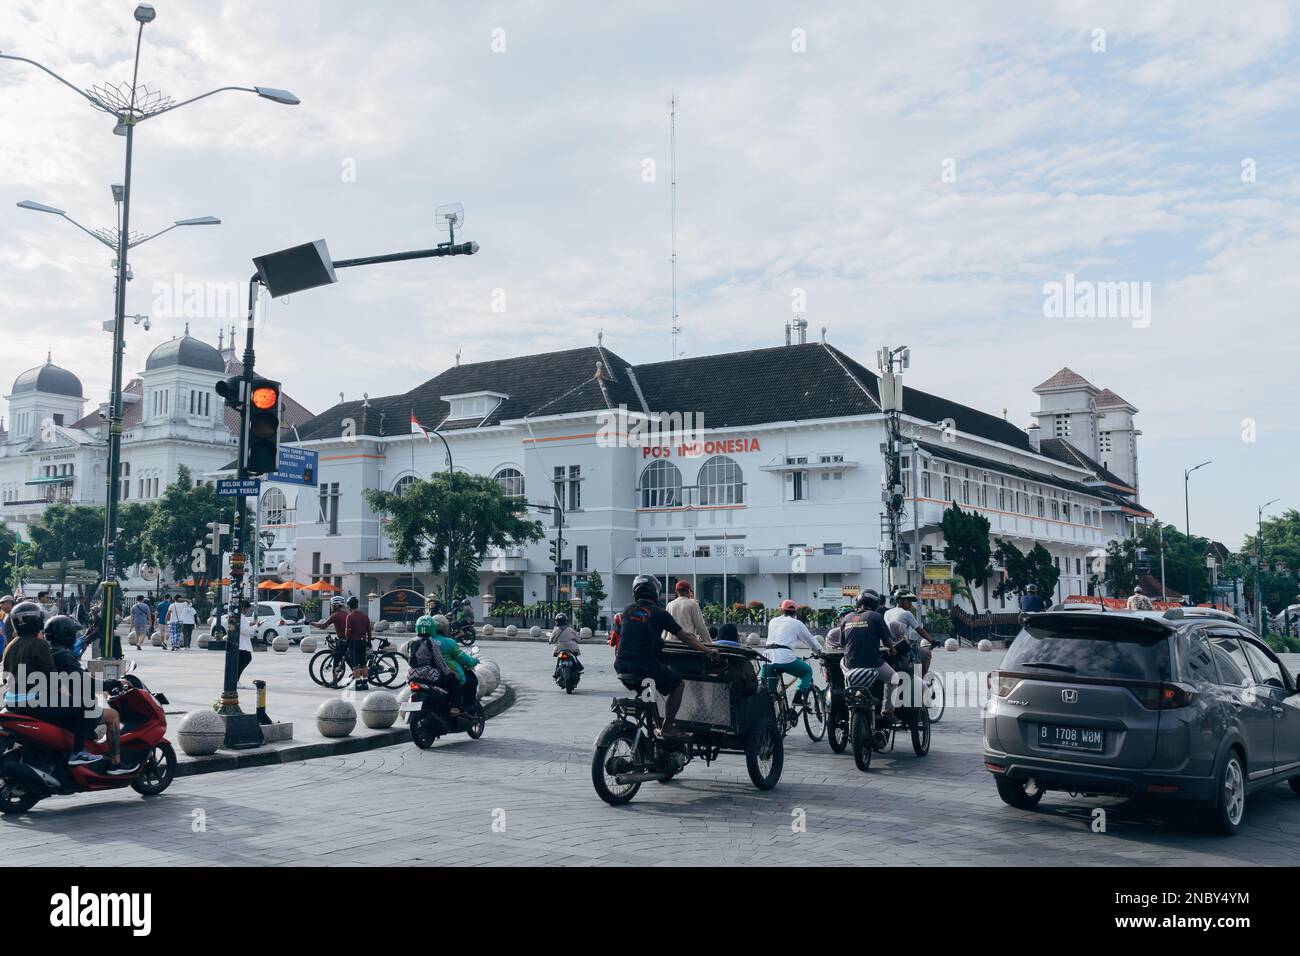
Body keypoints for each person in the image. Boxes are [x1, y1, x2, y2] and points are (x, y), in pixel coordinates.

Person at [613, 574, 717, 739]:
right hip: (645, 665)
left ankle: (657, 725)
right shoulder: (660, 613)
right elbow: (688, 637)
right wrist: (709, 650)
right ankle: (667, 727)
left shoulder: (627, 610)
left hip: (621, 667)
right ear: (655, 591)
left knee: (649, 690)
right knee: (678, 685)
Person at [46, 615, 122, 768]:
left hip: (55, 700)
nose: (75, 637)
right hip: (67, 705)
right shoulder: (64, 655)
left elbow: (79, 676)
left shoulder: (50, 651)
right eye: (72, 633)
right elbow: (85, 681)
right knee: (113, 716)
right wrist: (111, 683)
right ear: (66, 635)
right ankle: (116, 763)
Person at [840, 590, 895, 716]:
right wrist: (893, 650)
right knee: (894, 678)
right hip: (873, 663)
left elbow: (843, 644)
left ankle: (851, 689)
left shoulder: (846, 618)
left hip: (851, 664)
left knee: (842, 662)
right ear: (875, 604)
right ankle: (887, 709)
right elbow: (887, 642)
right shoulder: (876, 617)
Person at [761, 599, 823, 704]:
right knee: (807, 671)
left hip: (767, 658)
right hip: (785, 658)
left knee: (768, 692)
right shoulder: (796, 623)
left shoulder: (772, 621)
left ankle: (773, 706)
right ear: (795, 612)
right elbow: (811, 641)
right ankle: (797, 698)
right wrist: (820, 653)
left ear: (781, 610)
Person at [431, 614, 480, 715]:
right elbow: (464, 659)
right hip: (447, 674)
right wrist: (474, 660)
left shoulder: (421, 641)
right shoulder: (448, 642)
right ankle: (465, 707)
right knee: (470, 682)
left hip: (427, 675)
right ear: (444, 627)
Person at [884, 590, 935, 677]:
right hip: (901, 647)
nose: (911, 604)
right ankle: (921, 679)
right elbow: (919, 630)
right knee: (927, 653)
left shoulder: (887, 612)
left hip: (889, 646)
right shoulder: (907, 613)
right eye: (908, 601)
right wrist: (932, 640)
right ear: (900, 601)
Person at [666, 580, 710, 646]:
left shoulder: (670, 604)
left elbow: (666, 627)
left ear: (677, 592)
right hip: (687, 643)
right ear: (688, 591)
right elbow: (700, 626)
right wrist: (709, 643)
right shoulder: (692, 604)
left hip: (672, 643)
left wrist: (663, 641)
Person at [343, 595, 372, 690]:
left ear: (350, 606)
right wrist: (369, 641)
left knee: (355, 664)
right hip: (363, 641)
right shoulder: (365, 616)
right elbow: (369, 630)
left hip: (354, 641)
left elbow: (348, 631)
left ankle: (358, 683)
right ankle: (365, 683)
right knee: (363, 663)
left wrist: (347, 640)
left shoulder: (350, 617)